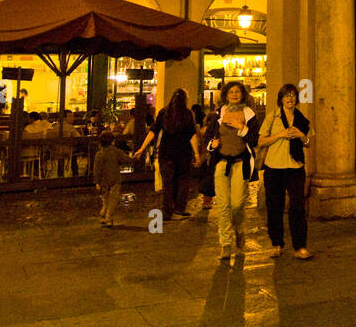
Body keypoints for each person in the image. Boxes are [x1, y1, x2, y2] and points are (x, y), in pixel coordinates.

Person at [256, 83, 313, 259]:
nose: (290, 99)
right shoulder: (273, 117)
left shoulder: (301, 118)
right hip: (274, 167)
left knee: (297, 206)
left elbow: (308, 143)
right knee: (274, 207)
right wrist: (279, 135)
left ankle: (300, 246)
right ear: (281, 99)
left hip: (295, 167)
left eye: (292, 95)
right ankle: (277, 244)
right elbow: (261, 141)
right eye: (286, 96)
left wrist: (301, 135)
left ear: (296, 99)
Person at [204, 81, 257, 265]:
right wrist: (213, 144)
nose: (234, 94)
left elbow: (254, 139)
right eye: (231, 92)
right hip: (221, 164)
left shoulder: (249, 114)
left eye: (238, 92)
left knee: (236, 204)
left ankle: (239, 229)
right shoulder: (219, 114)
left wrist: (241, 127)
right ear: (226, 95)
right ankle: (225, 244)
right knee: (224, 205)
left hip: (240, 164)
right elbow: (209, 137)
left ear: (243, 95)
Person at [135, 88, 202, 220]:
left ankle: (167, 211)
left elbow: (153, 131)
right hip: (183, 153)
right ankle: (178, 209)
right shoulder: (188, 114)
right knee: (183, 181)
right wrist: (196, 154)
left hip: (166, 153)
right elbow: (191, 135)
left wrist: (142, 148)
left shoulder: (164, 112)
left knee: (168, 183)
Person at [93, 132, 136, 227]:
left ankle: (103, 212)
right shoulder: (115, 151)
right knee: (113, 200)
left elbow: (96, 169)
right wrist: (135, 158)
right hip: (115, 179)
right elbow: (126, 160)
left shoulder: (99, 154)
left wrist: (97, 182)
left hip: (103, 181)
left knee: (105, 199)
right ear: (112, 141)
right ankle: (108, 217)